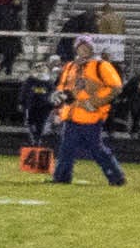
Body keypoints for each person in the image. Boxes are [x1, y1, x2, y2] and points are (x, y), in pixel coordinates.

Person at [52, 35, 126, 184]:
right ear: (76, 48)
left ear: (92, 48)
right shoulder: (70, 66)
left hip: (91, 116)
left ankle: (116, 176)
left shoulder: (101, 65)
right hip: (71, 115)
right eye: (81, 46)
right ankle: (61, 178)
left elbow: (116, 87)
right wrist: (60, 96)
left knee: (97, 149)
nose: (84, 49)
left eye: (87, 46)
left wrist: (95, 102)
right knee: (66, 149)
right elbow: (64, 87)